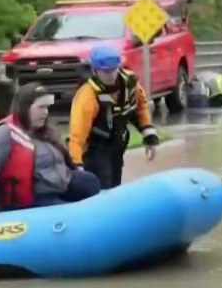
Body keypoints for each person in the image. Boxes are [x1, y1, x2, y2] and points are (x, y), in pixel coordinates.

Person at [0, 84, 101, 211]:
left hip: (60, 187)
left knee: (90, 181)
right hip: (34, 197)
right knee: (69, 210)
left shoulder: (46, 131)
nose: (45, 112)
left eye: (47, 107)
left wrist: (77, 170)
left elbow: (66, 161)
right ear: (25, 108)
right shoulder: (4, 133)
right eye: (41, 107)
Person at [68, 44, 158, 190]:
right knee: (104, 184)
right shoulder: (88, 95)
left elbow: (140, 109)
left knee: (115, 183)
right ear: (94, 70)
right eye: (105, 72)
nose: (110, 75)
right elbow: (77, 134)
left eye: (113, 70)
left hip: (117, 144)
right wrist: (76, 164)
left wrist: (149, 137)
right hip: (95, 150)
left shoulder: (130, 84)